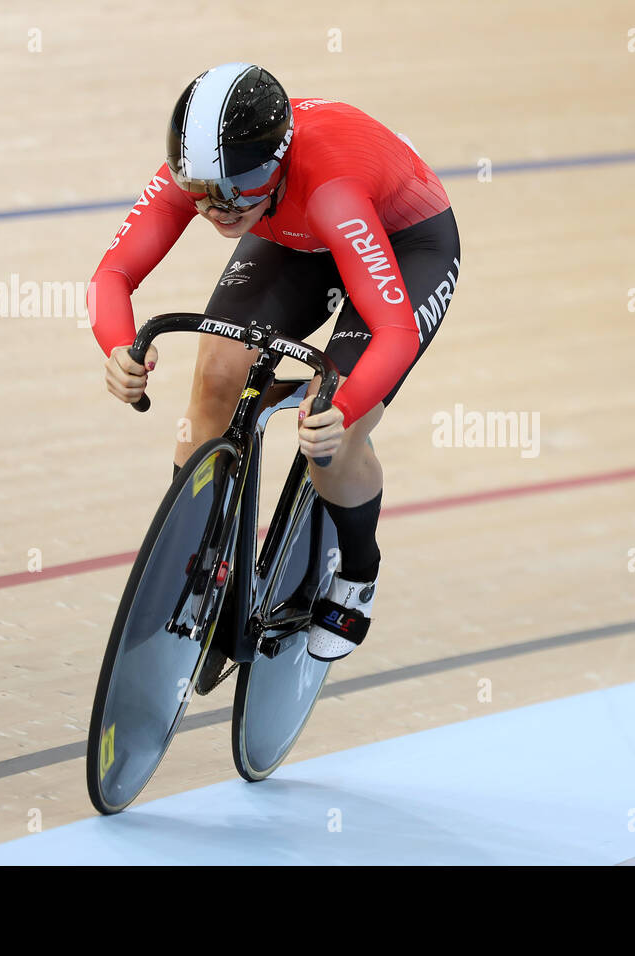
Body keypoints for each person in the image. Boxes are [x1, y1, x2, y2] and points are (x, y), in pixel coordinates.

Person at [86, 63, 461, 678]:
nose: (221, 208)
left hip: (400, 242)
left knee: (331, 432)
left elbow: (393, 331)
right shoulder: (216, 173)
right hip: (296, 231)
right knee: (215, 376)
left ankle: (358, 575)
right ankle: (201, 563)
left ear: (280, 158)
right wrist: (120, 346)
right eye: (202, 191)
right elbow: (113, 275)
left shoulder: (327, 185)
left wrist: (342, 407)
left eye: (243, 183)